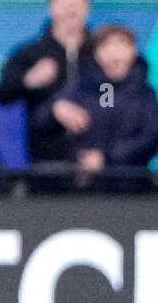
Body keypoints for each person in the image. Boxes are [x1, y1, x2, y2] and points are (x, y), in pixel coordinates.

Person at [0, 0, 94, 162]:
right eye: (63, 1)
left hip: (97, 157)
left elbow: (112, 93)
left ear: (88, 7)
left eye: (77, 2)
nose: (70, 7)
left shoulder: (100, 52)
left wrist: (102, 105)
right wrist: (28, 80)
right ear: (51, 7)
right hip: (47, 155)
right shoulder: (31, 53)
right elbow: (2, 94)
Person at [49, 24, 158, 190]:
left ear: (133, 53)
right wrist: (56, 107)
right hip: (81, 188)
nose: (115, 52)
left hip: (131, 188)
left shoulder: (144, 94)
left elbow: (149, 137)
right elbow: (40, 121)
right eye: (107, 46)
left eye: (122, 45)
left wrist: (105, 157)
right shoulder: (80, 87)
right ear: (97, 54)